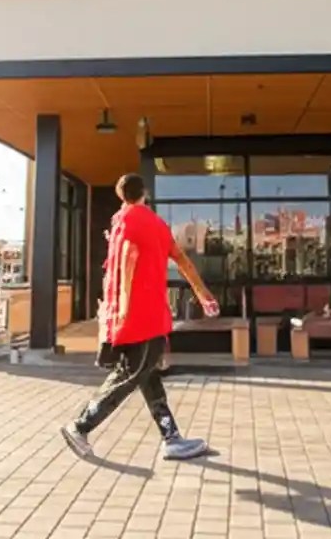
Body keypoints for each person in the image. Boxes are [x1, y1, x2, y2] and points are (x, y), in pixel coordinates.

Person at [61, 173, 219, 461]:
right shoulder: (153, 224)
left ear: (122, 196)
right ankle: (80, 426)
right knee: (129, 376)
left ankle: (171, 437)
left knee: (148, 376)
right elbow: (182, 261)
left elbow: (117, 272)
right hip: (145, 319)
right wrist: (203, 294)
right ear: (144, 193)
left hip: (124, 319)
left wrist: (115, 317)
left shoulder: (119, 223)